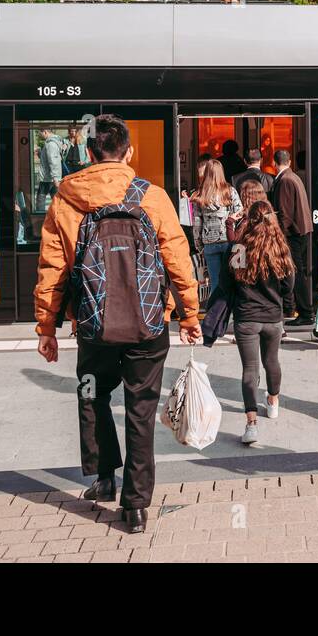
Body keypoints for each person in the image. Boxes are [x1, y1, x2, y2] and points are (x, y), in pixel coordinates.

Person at [34, 114, 201, 534]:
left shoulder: (66, 199)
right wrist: (190, 314)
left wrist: (47, 327)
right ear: (129, 153)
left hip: (94, 326)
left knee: (92, 394)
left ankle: (104, 476)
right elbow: (178, 259)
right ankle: (135, 506)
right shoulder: (153, 196)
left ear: (89, 154)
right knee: (141, 411)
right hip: (148, 326)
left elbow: (52, 268)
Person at [219, 200, 295, 445]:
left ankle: (251, 424)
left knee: (250, 370)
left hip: (246, 318)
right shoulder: (280, 248)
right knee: (272, 361)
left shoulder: (239, 249)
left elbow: (226, 283)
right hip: (273, 318)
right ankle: (272, 401)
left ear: (248, 221)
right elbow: (288, 287)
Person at [271, 149, 314, 328]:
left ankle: (305, 312)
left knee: (296, 273)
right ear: (289, 161)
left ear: (274, 163)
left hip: (293, 234)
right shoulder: (293, 176)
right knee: (298, 272)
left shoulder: (286, 180)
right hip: (301, 232)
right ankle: (305, 310)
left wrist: (278, 235)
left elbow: (285, 213)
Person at [191, 158, 242, 299]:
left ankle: (214, 315)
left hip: (209, 244)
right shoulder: (229, 191)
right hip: (227, 240)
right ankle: (230, 313)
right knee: (231, 281)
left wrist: (199, 246)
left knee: (215, 283)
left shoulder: (199, 194)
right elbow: (240, 211)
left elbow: (197, 223)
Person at [228, 178, 269, 243]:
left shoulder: (247, 218)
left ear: (246, 197)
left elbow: (234, 239)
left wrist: (229, 222)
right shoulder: (267, 212)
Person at [36, 129, 67, 211]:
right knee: (56, 199)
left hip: (48, 177)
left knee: (40, 199)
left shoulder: (51, 144)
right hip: (52, 177)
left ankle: (40, 219)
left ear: (45, 131)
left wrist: (55, 178)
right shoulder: (54, 142)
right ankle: (59, 217)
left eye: (40, 133)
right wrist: (40, 154)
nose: (40, 135)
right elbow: (51, 159)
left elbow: (53, 161)